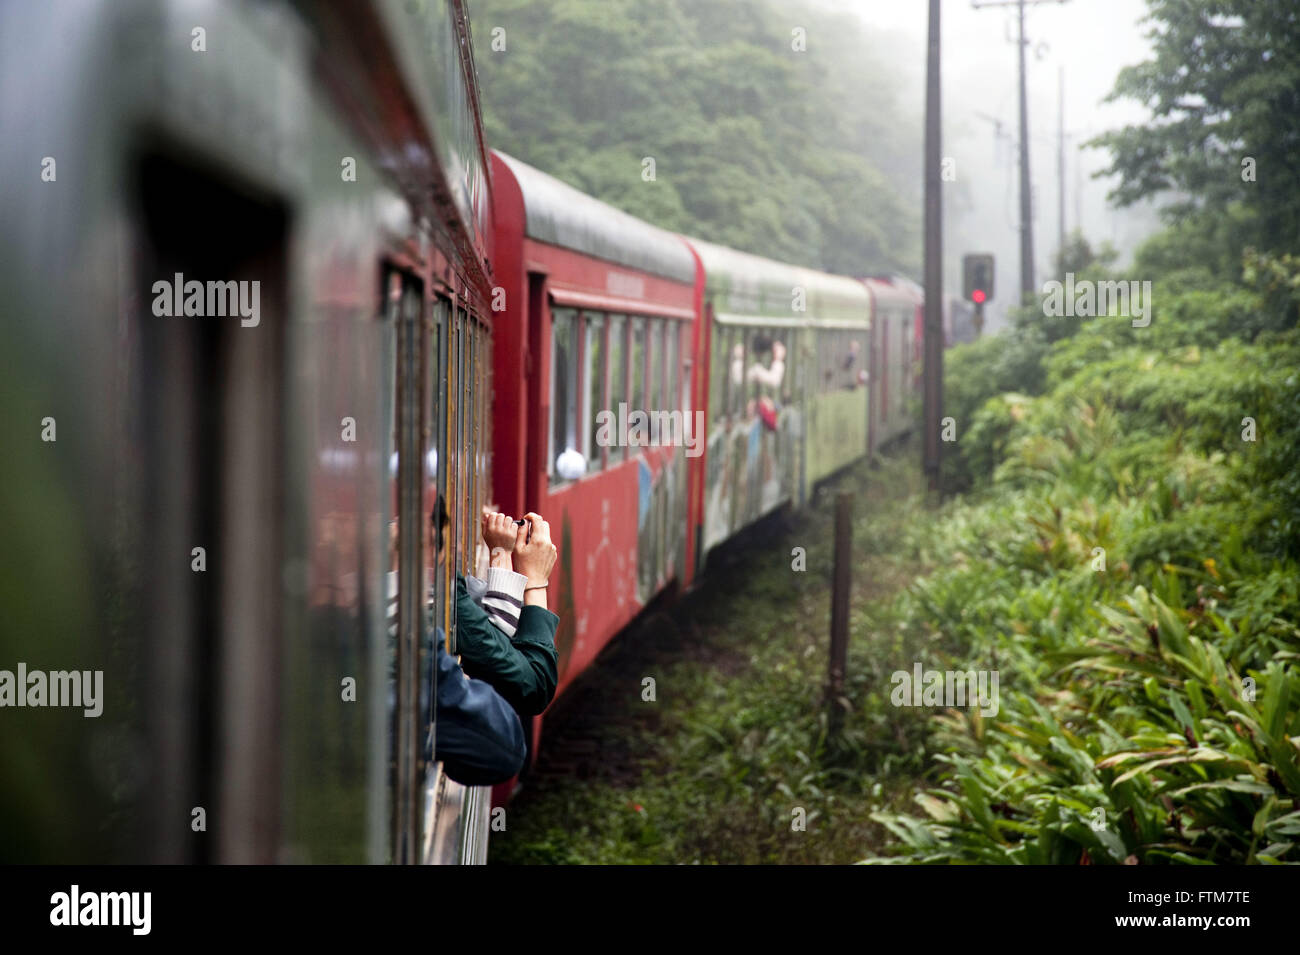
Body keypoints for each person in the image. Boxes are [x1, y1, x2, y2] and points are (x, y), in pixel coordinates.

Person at [456, 510, 559, 716]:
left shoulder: (444, 589)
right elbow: (529, 683)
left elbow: (492, 646)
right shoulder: (444, 591)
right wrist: (535, 580)